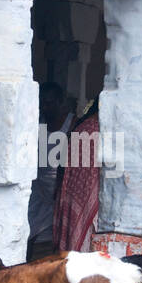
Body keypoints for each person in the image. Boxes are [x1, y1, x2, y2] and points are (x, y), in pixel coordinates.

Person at [54, 97, 100, 252]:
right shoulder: (93, 129)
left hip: (76, 197)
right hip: (84, 198)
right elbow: (91, 173)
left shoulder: (85, 126)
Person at [29, 82, 72, 249]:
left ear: (60, 102)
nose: (45, 107)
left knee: (60, 232)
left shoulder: (72, 124)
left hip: (58, 188)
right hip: (37, 187)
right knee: (28, 230)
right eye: (42, 103)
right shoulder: (38, 123)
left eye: (49, 103)